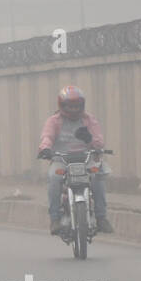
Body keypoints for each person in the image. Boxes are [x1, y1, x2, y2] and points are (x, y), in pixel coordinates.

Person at [37, 85, 111, 235]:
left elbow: (98, 141)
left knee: (98, 176)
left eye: (77, 107)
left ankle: (101, 217)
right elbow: (47, 137)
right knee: (54, 178)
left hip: (86, 159)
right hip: (61, 160)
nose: (73, 110)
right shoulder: (54, 121)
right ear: (62, 106)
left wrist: (91, 140)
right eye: (69, 107)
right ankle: (55, 219)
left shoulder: (89, 120)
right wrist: (45, 149)